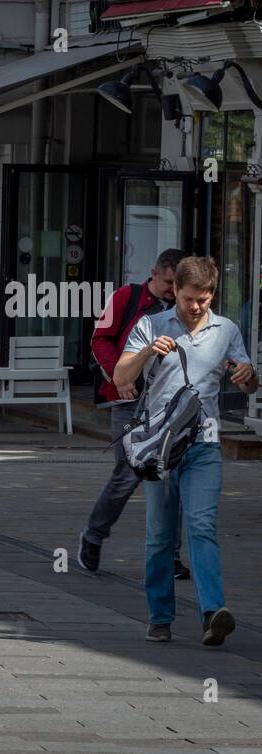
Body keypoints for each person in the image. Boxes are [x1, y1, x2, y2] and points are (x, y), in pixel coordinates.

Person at [113, 255, 258, 646]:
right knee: (160, 536)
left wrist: (248, 377)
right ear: (174, 289)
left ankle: (213, 613)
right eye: (190, 298)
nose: (197, 307)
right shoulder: (151, 324)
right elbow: (120, 376)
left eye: (205, 299)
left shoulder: (225, 329)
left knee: (201, 526)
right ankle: (160, 617)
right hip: (159, 447)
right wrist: (147, 353)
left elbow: (248, 384)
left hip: (204, 444)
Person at [80, 248, 190, 577]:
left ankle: (169, 555)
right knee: (127, 476)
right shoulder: (127, 297)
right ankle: (94, 535)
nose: (173, 289)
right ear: (154, 273)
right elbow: (100, 340)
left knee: (171, 477)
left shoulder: (186, 306)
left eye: (178, 284)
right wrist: (119, 377)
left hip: (170, 404)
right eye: (169, 282)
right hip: (129, 401)